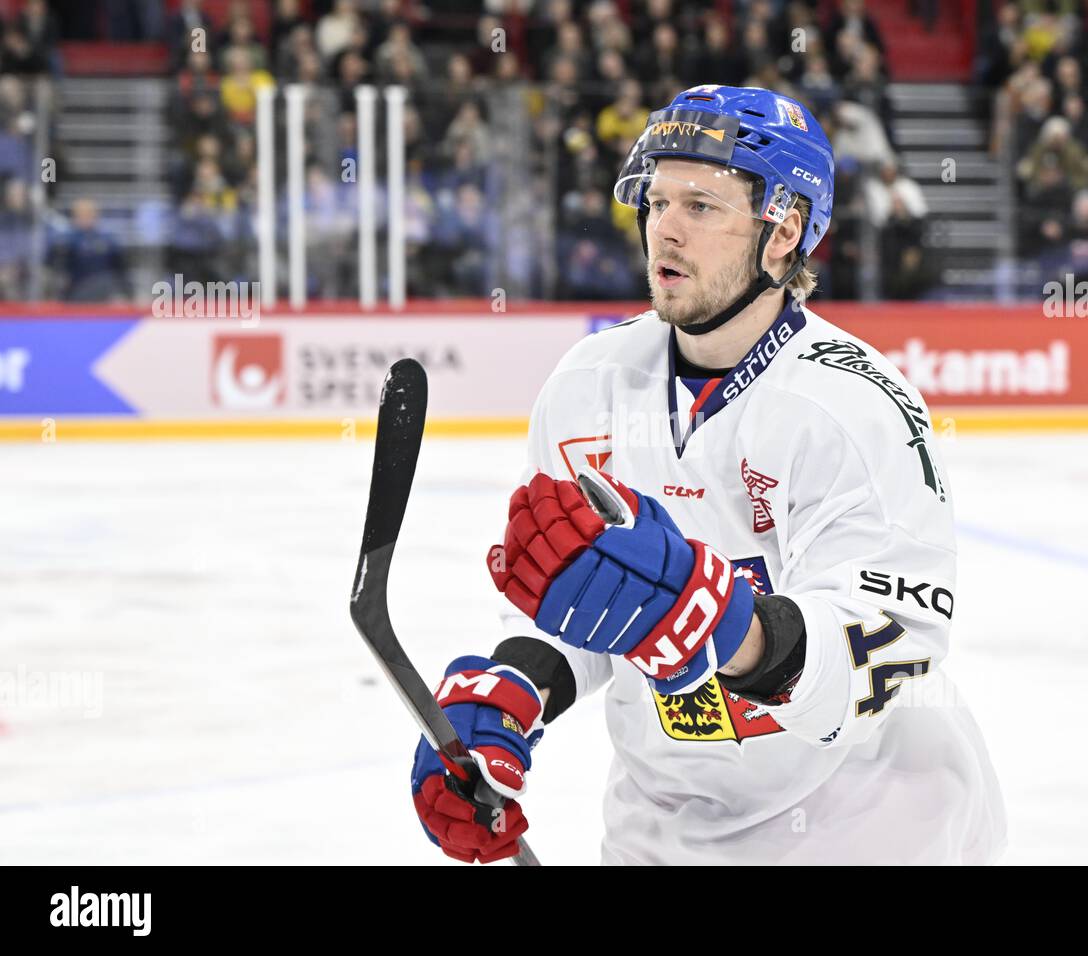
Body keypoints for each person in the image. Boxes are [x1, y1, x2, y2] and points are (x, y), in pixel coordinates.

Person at [409, 86, 1006, 865]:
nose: (665, 226)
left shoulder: (851, 405)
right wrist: (516, 694)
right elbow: (571, 598)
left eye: (701, 205)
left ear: (782, 231)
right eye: (656, 200)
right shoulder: (590, 382)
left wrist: (728, 627)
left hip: (867, 824)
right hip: (664, 831)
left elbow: (895, 651)